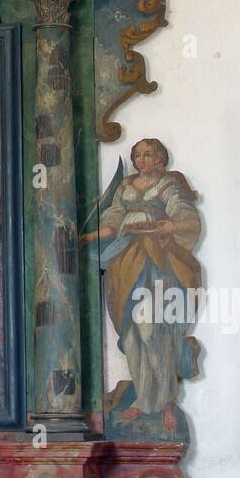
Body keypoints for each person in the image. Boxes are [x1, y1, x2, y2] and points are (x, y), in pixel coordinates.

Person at [81, 138, 202, 432]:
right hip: (126, 258)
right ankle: (144, 398)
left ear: (160, 159)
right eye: (137, 155)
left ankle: (166, 400)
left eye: (148, 155)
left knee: (155, 327)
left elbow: (185, 215)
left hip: (157, 258)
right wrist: (90, 236)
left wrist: (169, 226)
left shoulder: (167, 186)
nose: (141, 160)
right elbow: (113, 220)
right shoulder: (125, 187)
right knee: (133, 331)